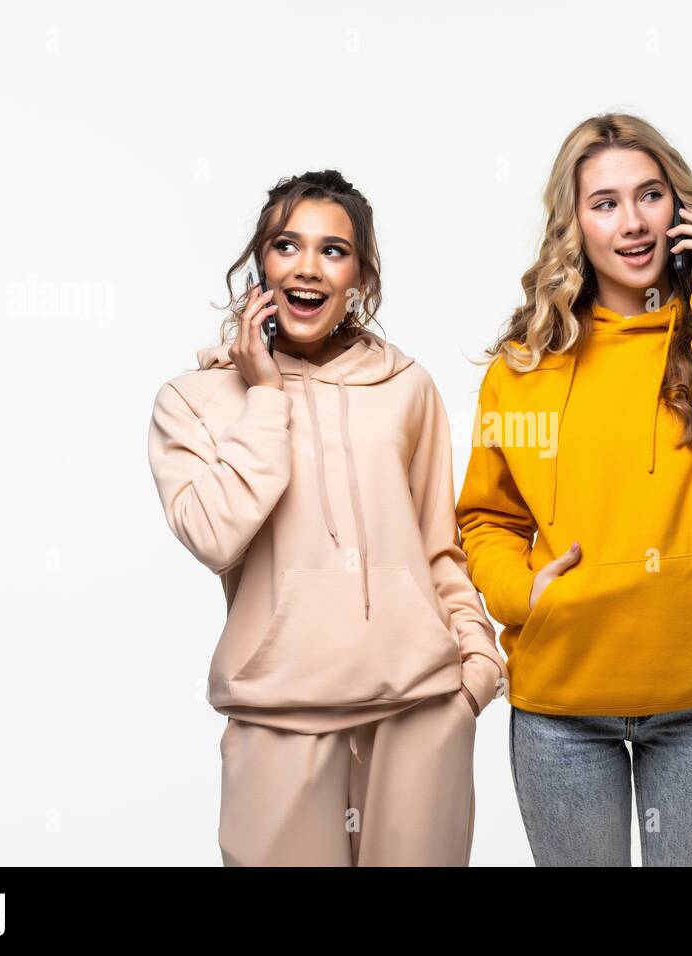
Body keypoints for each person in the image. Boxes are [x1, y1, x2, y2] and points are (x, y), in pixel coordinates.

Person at [455, 113, 692, 866]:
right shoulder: (522, 369)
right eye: (605, 203)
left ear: (683, 213)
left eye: (650, 196)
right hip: (561, 709)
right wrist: (521, 595)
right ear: (573, 223)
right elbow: (484, 517)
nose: (633, 223)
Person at [147, 170, 507, 866]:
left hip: (421, 709)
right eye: (287, 245)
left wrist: (475, 672)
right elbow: (214, 535)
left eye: (333, 251)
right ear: (260, 265)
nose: (308, 268)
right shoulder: (192, 401)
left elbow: (441, 547)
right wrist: (264, 396)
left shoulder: (408, 387)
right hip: (278, 717)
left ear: (361, 278)